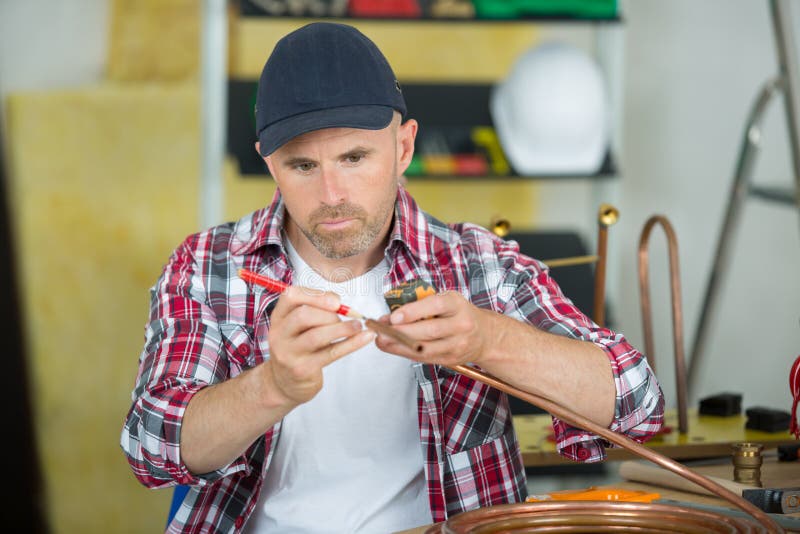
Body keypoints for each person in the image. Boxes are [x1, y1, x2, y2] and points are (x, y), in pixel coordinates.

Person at [121, 22, 664, 533]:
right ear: (269, 162)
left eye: (354, 157)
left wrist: (488, 339)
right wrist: (272, 387)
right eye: (303, 166)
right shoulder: (210, 266)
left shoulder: (476, 266)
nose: (332, 195)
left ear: (403, 147)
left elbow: (636, 403)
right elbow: (149, 447)